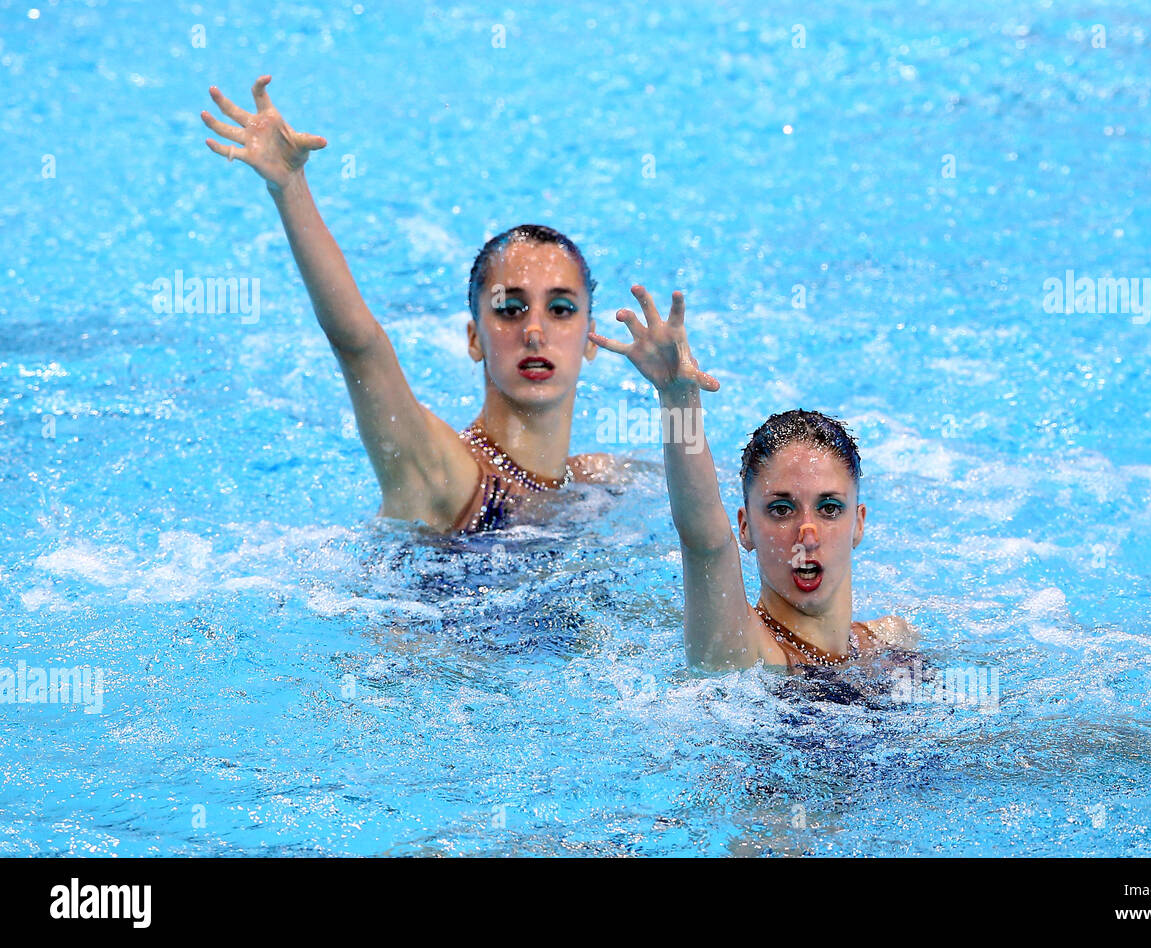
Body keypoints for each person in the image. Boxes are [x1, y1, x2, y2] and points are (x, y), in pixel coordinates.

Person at [201, 75, 616, 534]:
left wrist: (679, 397)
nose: (534, 331)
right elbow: (359, 344)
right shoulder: (441, 472)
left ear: (592, 339)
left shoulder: (600, 485)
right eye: (510, 308)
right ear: (474, 339)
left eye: (560, 309)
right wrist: (290, 187)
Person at [589, 286, 916, 670]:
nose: (807, 534)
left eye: (829, 508)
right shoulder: (746, 652)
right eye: (781, 509)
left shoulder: (891, 640)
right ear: (744, 529)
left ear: (858, 524)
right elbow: (704, 542)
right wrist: (678, 399)